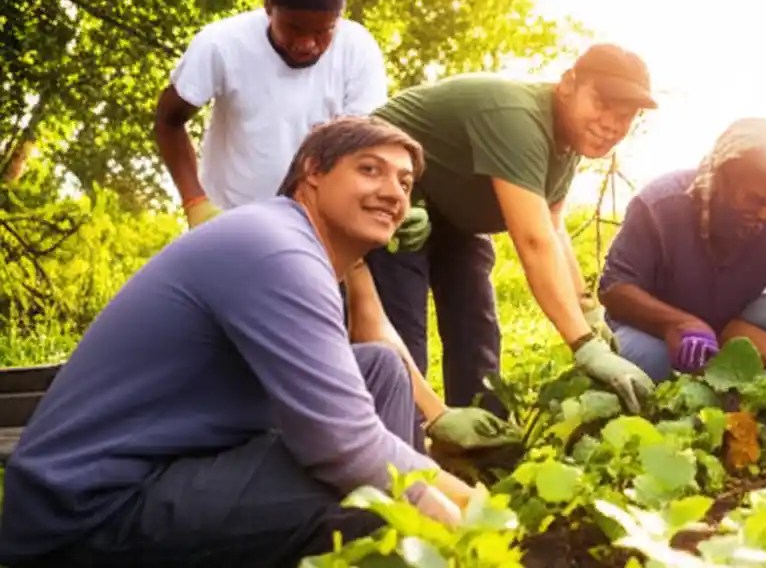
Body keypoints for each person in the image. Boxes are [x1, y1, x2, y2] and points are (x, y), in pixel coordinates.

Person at [0, 117, 475, 568]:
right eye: (370, 169)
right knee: (366, 487)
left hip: (169, 463)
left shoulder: (286, 241)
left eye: (406, 182)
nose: (393, 192)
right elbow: (346, 444)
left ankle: (378, 548)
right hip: (90, 511)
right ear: (312, 171)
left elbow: (351, 411)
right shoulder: (278, 253)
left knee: (380, 372)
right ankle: (380, 539)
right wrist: (473, 511)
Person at [367, 44, 657, 414]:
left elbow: (553, 227)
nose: (611, 124)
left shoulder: (567, 141)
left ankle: (483, 443)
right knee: (405, 333)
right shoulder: (519, 118)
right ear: (568, 84)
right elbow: (533, 241)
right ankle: (397, 446)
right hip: (392, 201)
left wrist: (588, 311)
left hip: (455, 212)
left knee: (477, 330)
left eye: (625, 116)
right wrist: (583, 344)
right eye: (601, 104)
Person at [155, 0, 388, 228]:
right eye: (294, 27)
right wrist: (195, 203)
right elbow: (169, 120)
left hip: (318, 228)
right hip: (230, 223)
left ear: (339, 16)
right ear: (268, 6)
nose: (306, 43)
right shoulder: (221, 44)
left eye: (322, 31)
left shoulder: (358, 50)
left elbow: (364, 150)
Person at [599, 118, 766, 379]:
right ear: (723, 179)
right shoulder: (660, 206)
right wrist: (677, 324)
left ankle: (727, 348)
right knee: (649, 365)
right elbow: (613, 288)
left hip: (733, 321)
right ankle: (704, 367)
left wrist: (755, 337)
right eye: (755, 200)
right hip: (656, 329)